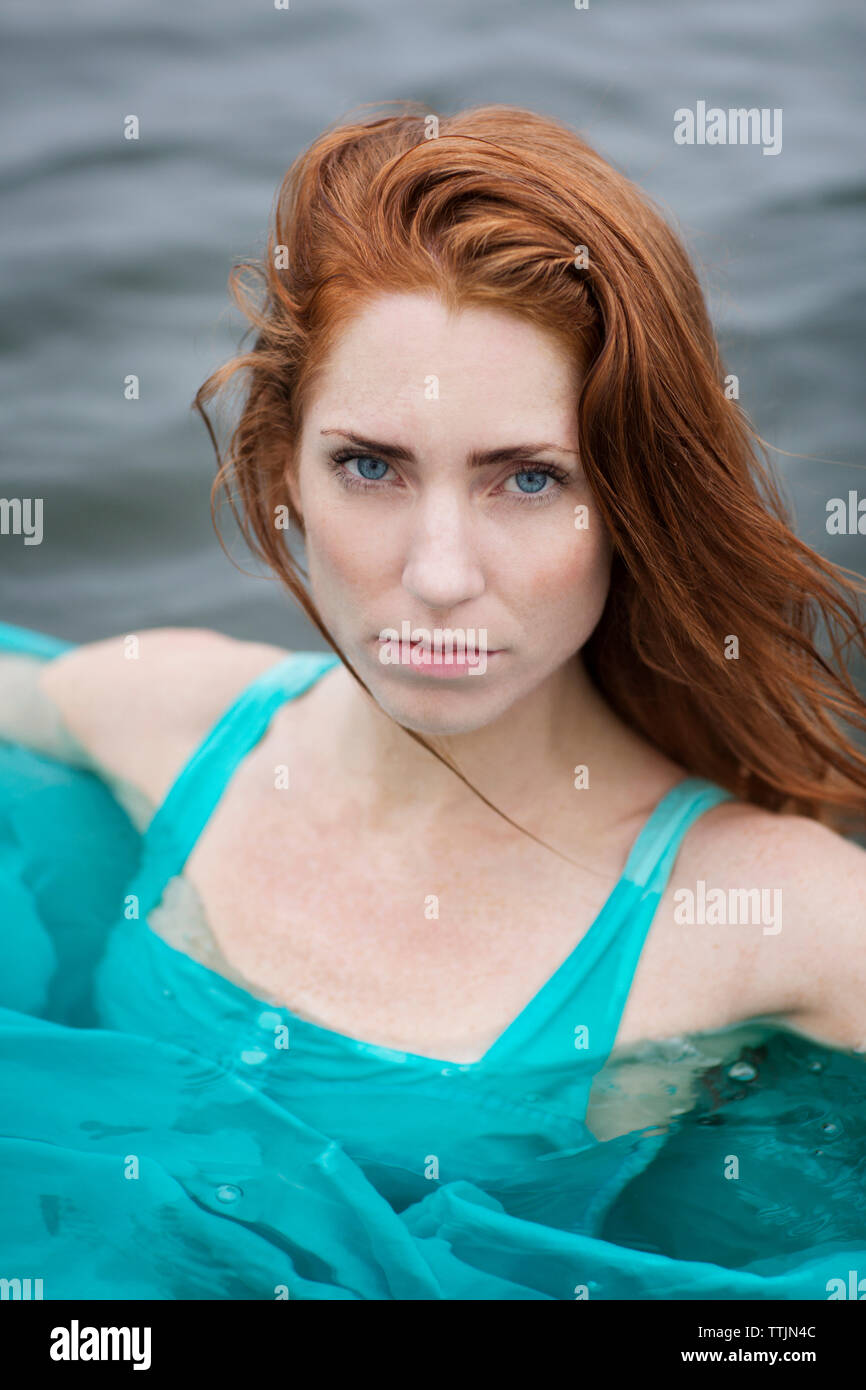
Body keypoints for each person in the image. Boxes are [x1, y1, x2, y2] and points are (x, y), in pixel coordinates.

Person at [1, 102, 865, 1300]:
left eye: (527, 477)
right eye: (370, 466)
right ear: (280, 471)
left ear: (630, 501)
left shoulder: (769, 908)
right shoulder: (168, 714)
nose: (440, 571)